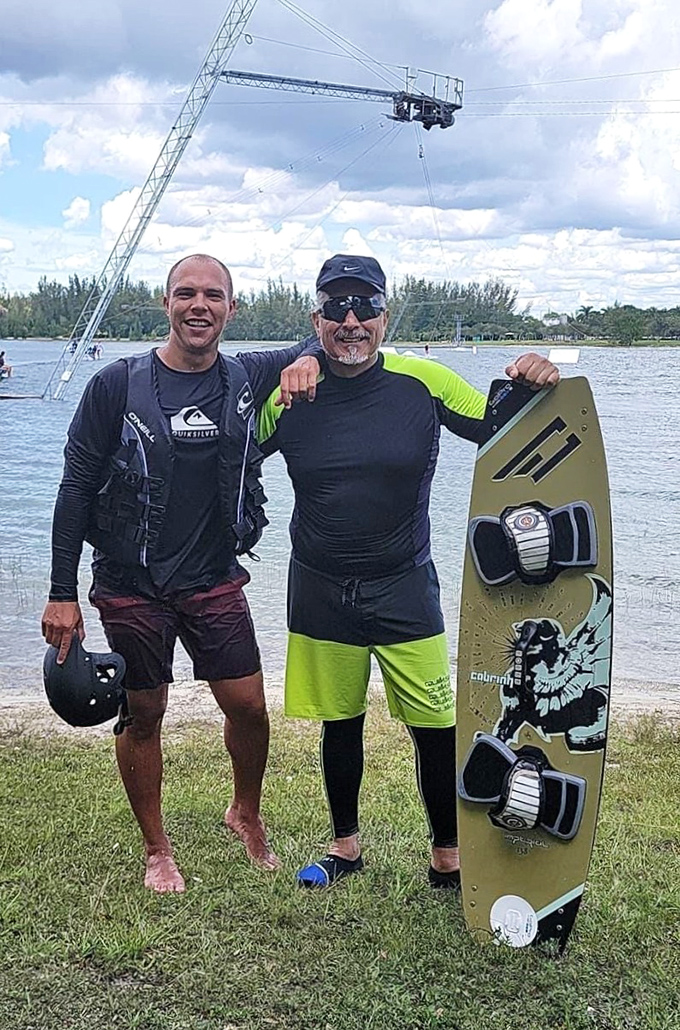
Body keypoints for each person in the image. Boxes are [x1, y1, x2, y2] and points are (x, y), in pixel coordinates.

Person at [256, 254, 559, 889]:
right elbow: (225, 457)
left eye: (364, 306)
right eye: (336, 307)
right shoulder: (289, 394)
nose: (350, 320)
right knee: (340, 723)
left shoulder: (422, 381)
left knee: (434, 724)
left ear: (384, 317)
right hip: (317, 585)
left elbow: (499, 428)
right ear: (316, 320)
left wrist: (536, 380)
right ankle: (345, 848)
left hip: (403, 584)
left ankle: (447, 855)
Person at [41, 254, 321, 894]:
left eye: (213, 296)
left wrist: (306, 359)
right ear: (165, 303)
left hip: (213, 576)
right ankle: (157, 848)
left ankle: (244, 813)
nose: (200, 306)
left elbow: (320, 336)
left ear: (232, 308)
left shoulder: (248, 375)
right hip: (130, 581)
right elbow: (76, 488)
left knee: (248, 705)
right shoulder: (116, 385)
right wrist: (61, 592)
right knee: (145, 713)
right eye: (186, 294)